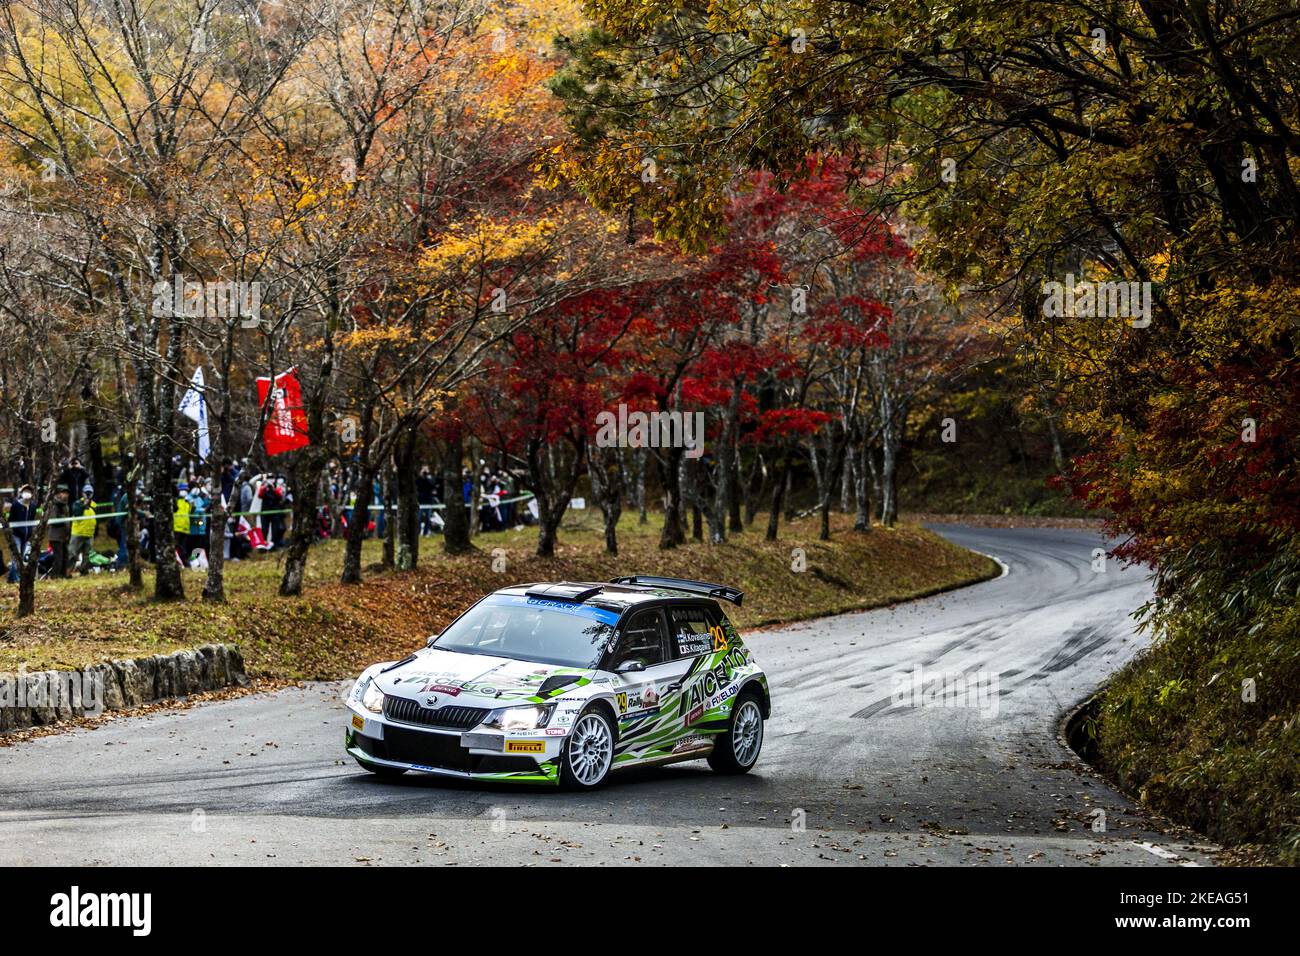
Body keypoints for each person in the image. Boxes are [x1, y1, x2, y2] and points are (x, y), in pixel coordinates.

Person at [5, 484, 37, 583]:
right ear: (21, 493)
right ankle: (13, 578)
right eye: (25, 491)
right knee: (16, 556)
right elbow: (11, 520)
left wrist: (32, 533)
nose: (27, 493)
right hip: (16, 535)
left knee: (22, 558)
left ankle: (13, 577)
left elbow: (32, 521)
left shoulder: (32, 506)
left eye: (29, 491)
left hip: (27, 536)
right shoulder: (16, 504)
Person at [67, 484, 97, 574]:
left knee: (87, 555)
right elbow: (76, 513)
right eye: (86, 492)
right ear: (82, 493)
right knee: (72, 554)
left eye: (90, 493)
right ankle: (68, 572)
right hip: (78, 534)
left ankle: (84, 571)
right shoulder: (77, 503)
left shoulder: (94, 505)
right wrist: (84, 505)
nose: (88, 494)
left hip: (89, 534)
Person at [46, 484, 71, 577]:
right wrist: (64, 519)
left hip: (64, 535)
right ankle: (55, 576)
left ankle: (63, 575)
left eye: (66, 493)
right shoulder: (53, 505)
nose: (65, 495)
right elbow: (53, 520)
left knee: (65, 557)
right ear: (58, 494)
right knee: (58, 558)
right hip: (55, 536)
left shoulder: (66, 505)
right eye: (63, 492)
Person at [173, 483, 192, 564]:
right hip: (176, 527)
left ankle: (184, 562)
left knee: (183, 546)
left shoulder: (188, 502)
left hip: (185, 528)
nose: (184, 491)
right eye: (182, 490)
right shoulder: (175, 500)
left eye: (186, 490)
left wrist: (192, 504)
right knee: (177, 546)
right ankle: (183, 561)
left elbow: (190, 512)